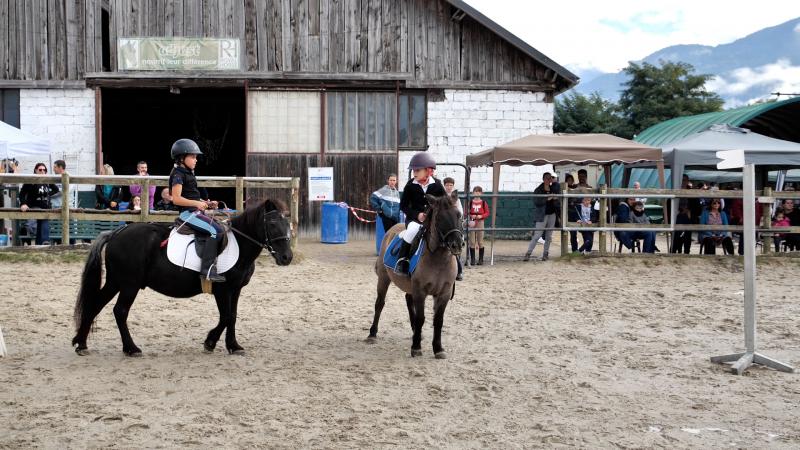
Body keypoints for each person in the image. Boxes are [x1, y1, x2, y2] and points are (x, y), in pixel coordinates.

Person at [169, 138, 225, 282]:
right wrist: (196, 203)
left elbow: (190, 195)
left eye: (196, 157)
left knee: (221, 227)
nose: (196, 160)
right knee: (215, 231)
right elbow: (176, 198)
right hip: (187, 214)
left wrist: (205, 202)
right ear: (182, 158)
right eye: (193, 157)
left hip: (195, 210)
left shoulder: (188, 173)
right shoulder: (178, 174)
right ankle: (207, 270)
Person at [395, 152, 446, 273]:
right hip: (414, 220)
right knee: (412, 230)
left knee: (448, 233)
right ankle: (402, 260)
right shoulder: (410, 185)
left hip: (433, 220)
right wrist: (417, 214)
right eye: (413, 170)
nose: (414, 173)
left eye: (417, 170)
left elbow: (444, 203)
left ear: (428, 171)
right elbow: (403, 206)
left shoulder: (438, 185)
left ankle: (457, 266)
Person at [19, 162, 59, 245]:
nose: (42, 171)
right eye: (40, 170)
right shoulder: (31, 180)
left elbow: (56, 189)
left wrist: (48, 194)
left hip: (46, 207)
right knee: (42, 219)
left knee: (42, 222)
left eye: (44, 170)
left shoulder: (47, 180)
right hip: (34, 207)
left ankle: (39, 244)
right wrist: (23, 204)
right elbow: (22, 193)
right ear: (35, 170)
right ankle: (45, 241)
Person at [524, 172, 560, 261]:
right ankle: (528, 253)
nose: (549, 180)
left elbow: (558, 200)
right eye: (547, 178)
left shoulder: (553, 188)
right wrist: (547, 199)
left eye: (550, 178)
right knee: (537, 236)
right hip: (542, 215)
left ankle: (545, 254)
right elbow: (537, 202)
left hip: (552, 214)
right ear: (543, 179)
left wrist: (555, 199)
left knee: (549, 236)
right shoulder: (539, 190)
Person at [443, 177, 464, 280]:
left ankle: (459, 271)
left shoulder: (456, 198)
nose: (449, 187)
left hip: (454, 224)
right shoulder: (442, 197)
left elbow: (460, 212)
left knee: (456, 246)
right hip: (446, 224)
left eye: (451, 185)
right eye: (447, 185)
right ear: (444, 186)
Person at [468, 186, 490, 265]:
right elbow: (466, 212)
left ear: (481, 193)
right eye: (475, 191)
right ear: (473, 193)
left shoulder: (483, 203)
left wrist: (481, 216)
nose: (477, 193)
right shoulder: (470, 202)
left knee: (480, 241)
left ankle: (481, 260)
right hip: (472, 222)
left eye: (479, 191)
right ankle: (472, 260)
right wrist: (471, 215)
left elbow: (487, 212)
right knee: (472, 241)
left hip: (480, 222)